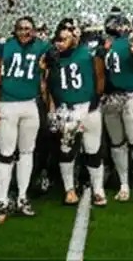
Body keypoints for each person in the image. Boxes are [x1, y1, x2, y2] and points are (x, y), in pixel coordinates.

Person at [0, 15, 51, 218]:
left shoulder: (43, 47)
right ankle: (2, 199)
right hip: (8, 103)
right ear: (14, 30)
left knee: (27, 152)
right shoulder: (5, 46)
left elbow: (51, 65)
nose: (25, 32)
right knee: (6, 153)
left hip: (30, 103)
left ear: (34, 30)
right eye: (20, 28)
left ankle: (22, 196)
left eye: (28, 28)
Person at [45, 21, 106, 206]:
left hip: (88, 106)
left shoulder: (89, 52)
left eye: (64, 39)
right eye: (58, 39)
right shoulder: (51, 57)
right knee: (66, 152)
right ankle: (69, 189)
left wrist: (96, 98)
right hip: (67, 109)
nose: (60, 43)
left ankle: (98, 189)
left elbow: (100, 75)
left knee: (93, 151)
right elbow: (47, 86)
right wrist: (52, 108)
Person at [102, 14, 133, 203]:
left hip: (129, 94)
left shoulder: (131, 42)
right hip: (113, 96)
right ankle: (127, 183)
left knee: (132, 142)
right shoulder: (106, 46)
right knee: (119, 143)